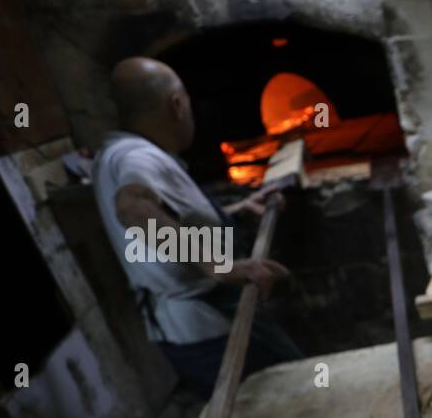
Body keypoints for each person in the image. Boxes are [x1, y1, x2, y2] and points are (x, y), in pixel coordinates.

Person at [93, 56, 302, 400]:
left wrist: (237, 209)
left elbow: (167, 216)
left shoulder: (115, 153)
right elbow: (134, 209)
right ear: (176, 105)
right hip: (209, 326)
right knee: (289, 404)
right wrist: (223, 266)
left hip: (191, 327)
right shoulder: (137, 157)